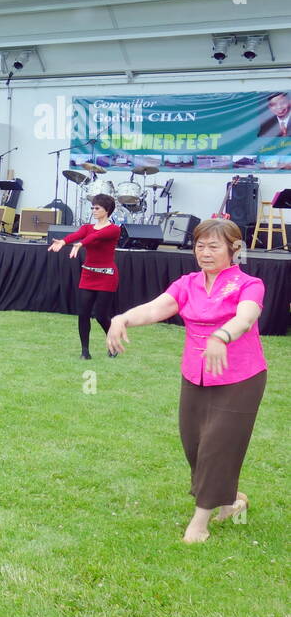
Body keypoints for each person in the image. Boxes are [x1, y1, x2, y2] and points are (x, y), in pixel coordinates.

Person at [107, 219, 267, 544]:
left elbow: (246, 316)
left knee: (217, 446)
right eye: (200, 246)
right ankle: (232, 499)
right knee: (194, 445)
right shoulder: (188, 283)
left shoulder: (249, 284)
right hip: (195, 374)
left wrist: (221, 336)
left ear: (234, 250)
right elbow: (158, 308)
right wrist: (123, 317)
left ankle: (200, 521)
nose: (205, 253)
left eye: (214, 246)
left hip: (240, 378)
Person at [47, 193, 121, 359]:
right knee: (83, 313)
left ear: (107, 210)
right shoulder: (87, 228)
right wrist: (65, 242)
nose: (94, 210)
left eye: (97, 208)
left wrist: (82, 243)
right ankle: (85, 351)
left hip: (107, 276)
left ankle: (114, 344)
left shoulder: (114, 229)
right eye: (93, 207)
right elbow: (77, 234)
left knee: (101, 315)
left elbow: (97, 236)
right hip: (88, 275)